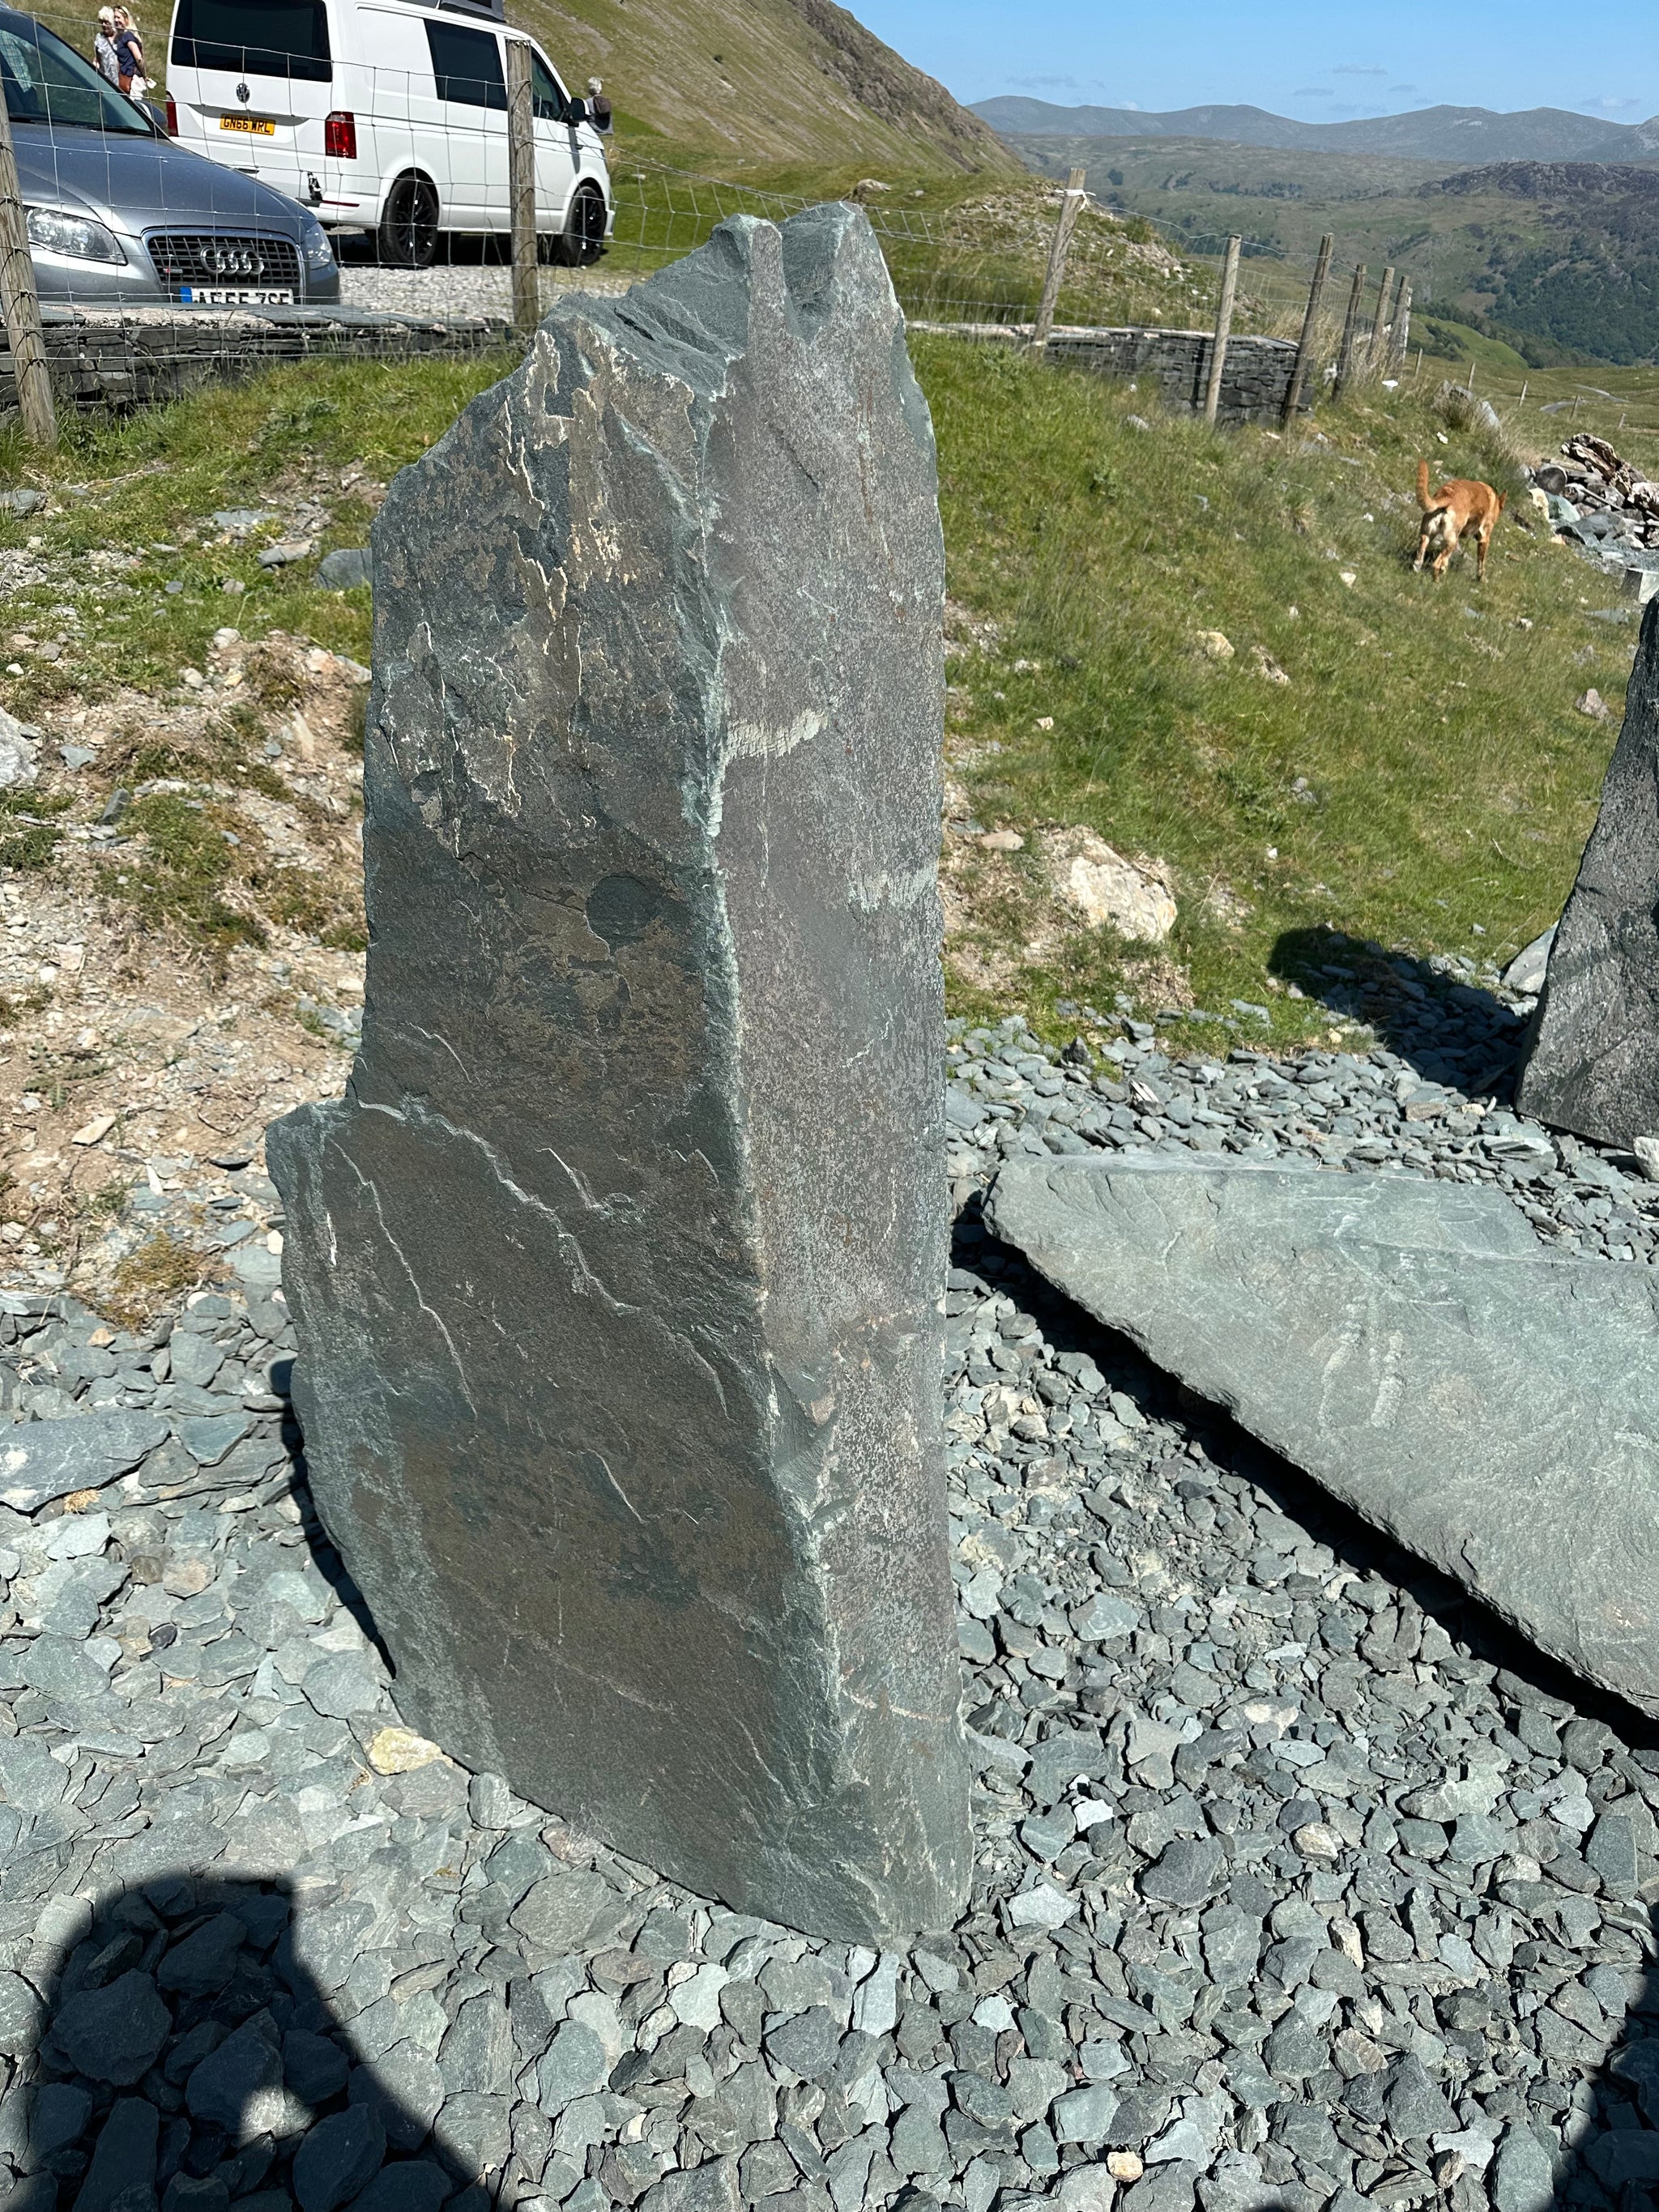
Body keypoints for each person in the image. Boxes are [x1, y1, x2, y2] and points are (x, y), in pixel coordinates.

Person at [112, 6, 144, 95]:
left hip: (133, 81)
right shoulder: (121, 37)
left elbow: (138, 58)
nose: (116, 20)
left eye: (118, 17)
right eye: (114, 17)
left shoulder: (128, 36)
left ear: (126, 19)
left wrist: (144, 75)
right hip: (126, 78)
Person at [93, 6, 120, 83]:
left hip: (119, 80)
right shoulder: (99, 37)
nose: (103, 25)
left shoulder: (119, 38)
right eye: (101, 22)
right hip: (104, 79)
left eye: (106, 22)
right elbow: (97, 59)